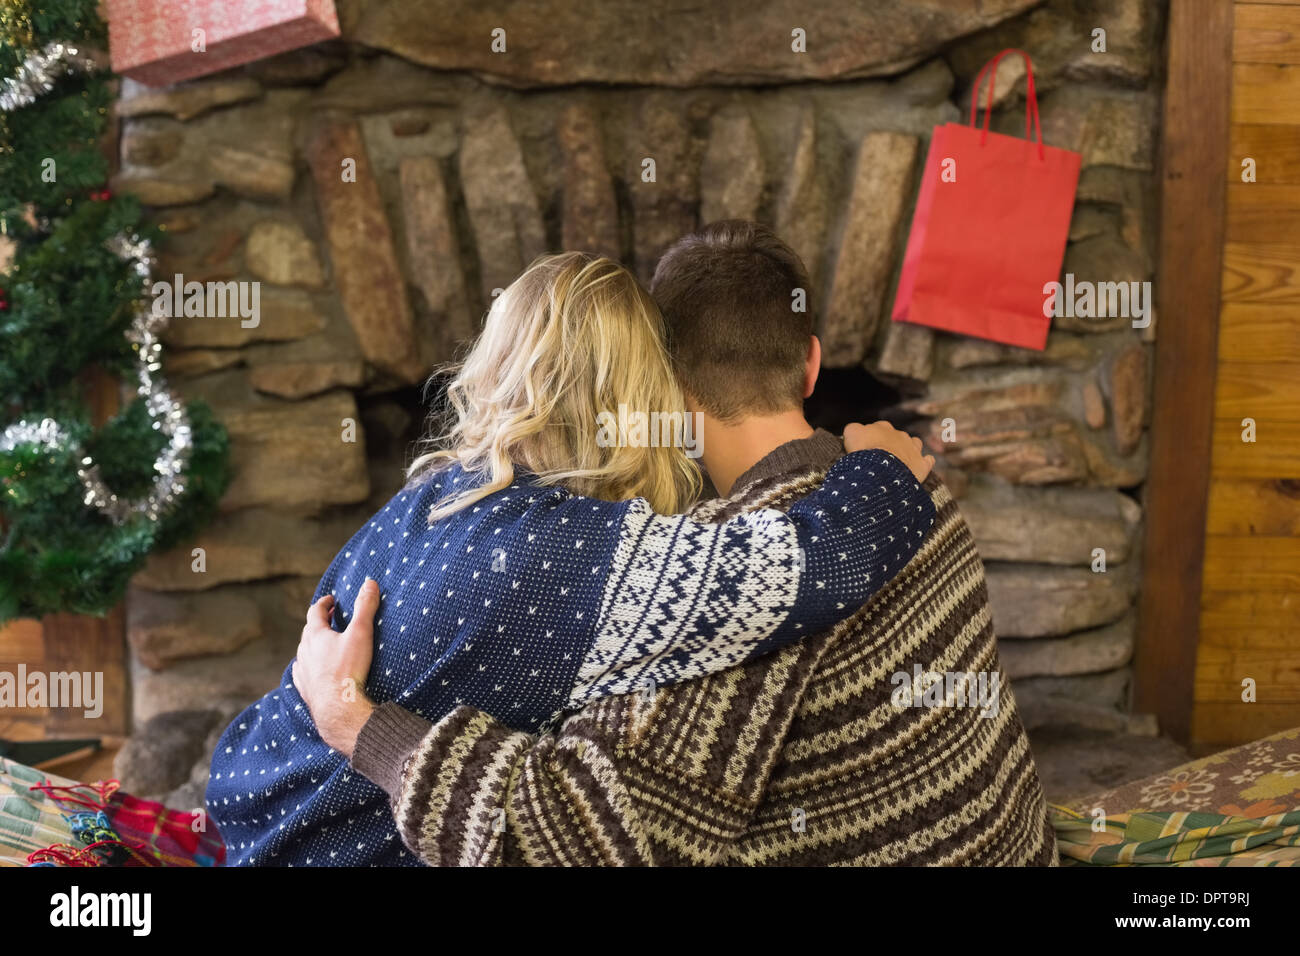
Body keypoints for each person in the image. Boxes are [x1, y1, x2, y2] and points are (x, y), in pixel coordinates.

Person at [297, 221, 1058, 866]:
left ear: (662, 389)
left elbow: (553, 835)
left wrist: (361, 729)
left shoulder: (700, 599)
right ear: (813, 363)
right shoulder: (910, 480)